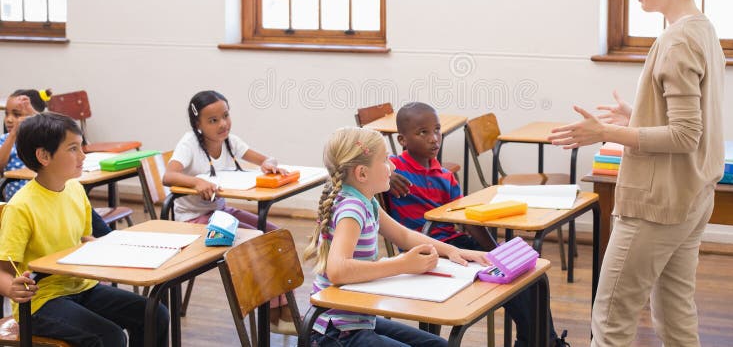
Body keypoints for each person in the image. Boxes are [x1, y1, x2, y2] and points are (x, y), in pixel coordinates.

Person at [548, 0, 725, 347]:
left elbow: (685, 135)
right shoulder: (702, 29)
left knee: (611, 317)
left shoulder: (678, 41)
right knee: (676, 311)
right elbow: (688, 120)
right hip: (693, 196)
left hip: (658, 205)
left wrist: (605, 131)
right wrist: (638, 116)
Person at [386, 102, 569, 347]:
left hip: (457, 245)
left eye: (437, 130)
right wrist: (387, 171)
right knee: (515, 279)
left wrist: (496, 252)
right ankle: (545, 343)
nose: (434, 139)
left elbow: (465, 218)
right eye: (423, 133)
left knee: (530, 275)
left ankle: (539, 342)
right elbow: (352, 162)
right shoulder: (394, 168)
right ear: (402, 140)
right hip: (427, 251)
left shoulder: (445, 176)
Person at [303, 127, 488, 346]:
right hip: (335, 331)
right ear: (362, 173)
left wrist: (452, 250)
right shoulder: (351, 209)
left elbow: (403, 235)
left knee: (438, 345)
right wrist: (401, 265)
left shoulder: (366, 201)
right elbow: (338, 270)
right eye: (386, 160)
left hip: (357, 321)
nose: (393, 166)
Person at [0, 113, 169, 346]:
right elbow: (3, 270)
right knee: (111, 337)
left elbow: (84, 238)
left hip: (81, 286)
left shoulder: (75, 189)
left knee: (155, 315)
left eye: (81, 147)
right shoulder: (21, 206)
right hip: (41, 301)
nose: (82, 156)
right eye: (73, 149)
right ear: (44, 156)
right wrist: (12, 289)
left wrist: (105, 248)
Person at [162, 89, 295, 334]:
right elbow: (168, 175)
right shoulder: (189, 144)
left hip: (220, 213)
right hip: (194, 221)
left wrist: (268, 164)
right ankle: (274, 313)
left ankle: (280, 309)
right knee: (258, 242)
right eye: (213, 120)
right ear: (198, 124)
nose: (223, 124)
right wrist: (196, 182)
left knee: (275, 234)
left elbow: (266, 159)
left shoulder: (230, 141)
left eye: (225, 116)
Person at [0, 89, 112, 238]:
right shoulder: (5, 139)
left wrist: (32, 113)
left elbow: (53, 130)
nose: (9, 119)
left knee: (76, 201)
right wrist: (14, 133)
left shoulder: (39, 138)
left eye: (17, 114)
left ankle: (109, 239)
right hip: (28, 194)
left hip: (52, 189)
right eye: (7, 114)